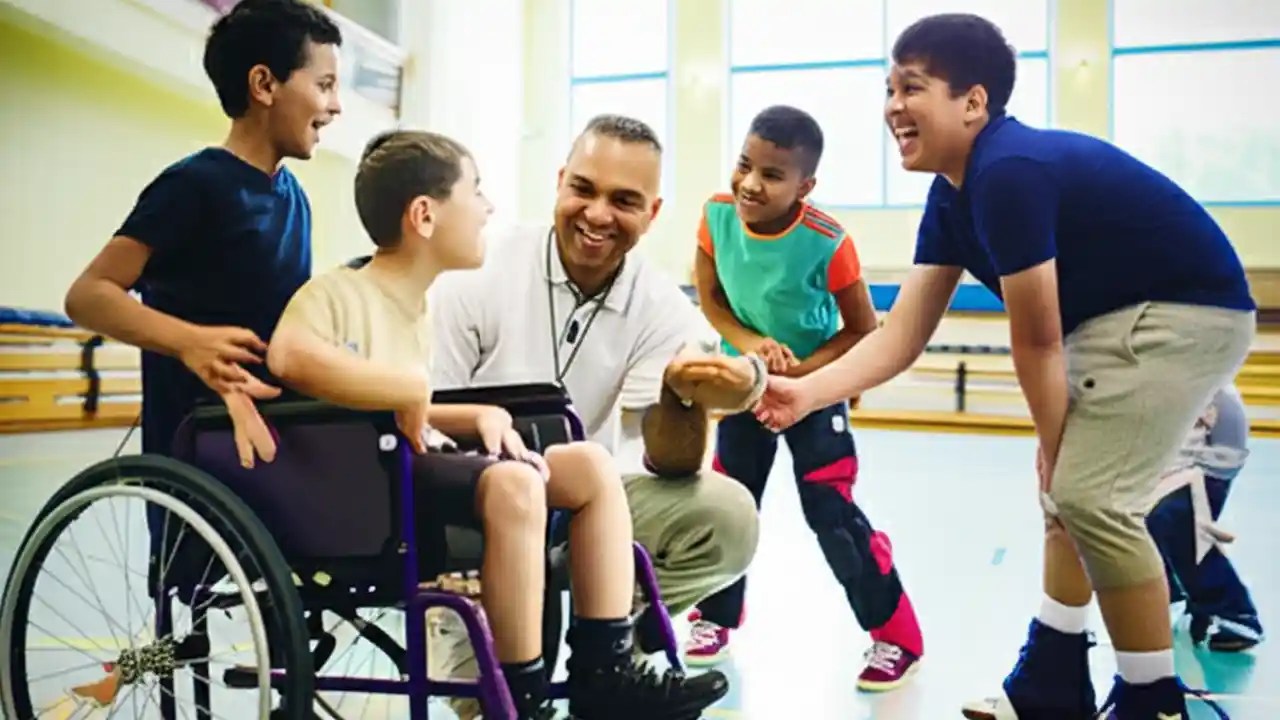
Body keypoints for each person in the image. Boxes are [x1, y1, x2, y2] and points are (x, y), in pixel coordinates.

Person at [754, 12, 1254, 720]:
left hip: (1181, 311)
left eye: (913, 87)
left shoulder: (1007, 172)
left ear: (974, 102)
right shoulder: (953, 194)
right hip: (1118, 319)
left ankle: (1153, 702)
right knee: (1069, 501)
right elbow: (901, 336)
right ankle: (1052, 684)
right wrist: (803, 394)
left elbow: (1039, 340)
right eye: (889, 88)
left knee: (1089, 499)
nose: (893, 105)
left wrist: (1054, 448)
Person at [264, 129, 729, 720]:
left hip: (412, 462)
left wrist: (479, 412)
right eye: (476, 192)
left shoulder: (421, 304)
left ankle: (603, 670)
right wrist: (408, 390)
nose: (489, 207)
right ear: (425, 215)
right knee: (514, 484)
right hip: (370, 486)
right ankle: (521, 698)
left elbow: (408, 410)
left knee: (588, 464)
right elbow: (290, 359)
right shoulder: (341, 290)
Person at [425, 114, 763, 719]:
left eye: (624, 200)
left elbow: (672, 462)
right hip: (473, 515)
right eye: (584, 188)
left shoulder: (660, 306)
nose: (599, 214)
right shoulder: (476, 271)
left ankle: (604, 655)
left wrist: (681, 394)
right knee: (490, 705)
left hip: (582, 516)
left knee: (727, 515)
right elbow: (428, 429)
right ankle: (522, 635)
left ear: (652, 213)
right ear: (559, 182)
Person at [686, 104, 924, 690]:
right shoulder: (716, 216)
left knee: (832, 515)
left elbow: (862, 331)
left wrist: (803, 379)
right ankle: (714, 616)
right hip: (747, 386)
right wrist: (753, 352)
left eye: (771, 174)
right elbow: (712, 300)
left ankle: (896, 637)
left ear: (804, 185)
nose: (749, 183)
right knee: (728, 505)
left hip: (815, 392)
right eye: (744, 165)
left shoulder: (828, 240)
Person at [64, 0, 341, 499]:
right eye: (324, 85)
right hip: (201, 442)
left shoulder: (295, 197)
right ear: (264, 85)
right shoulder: (195, 184)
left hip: (276, 430)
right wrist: (190, 342)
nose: (336, 106)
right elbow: (88, 295)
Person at [1147, 385, 1264, 652]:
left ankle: (1235, 613)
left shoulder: (1213, 383)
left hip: (1196, 474)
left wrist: (1210, 479)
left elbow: (1231, 427)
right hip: (1156, 475)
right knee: (1148, 529)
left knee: (1175, 524)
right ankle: (1176, 598)